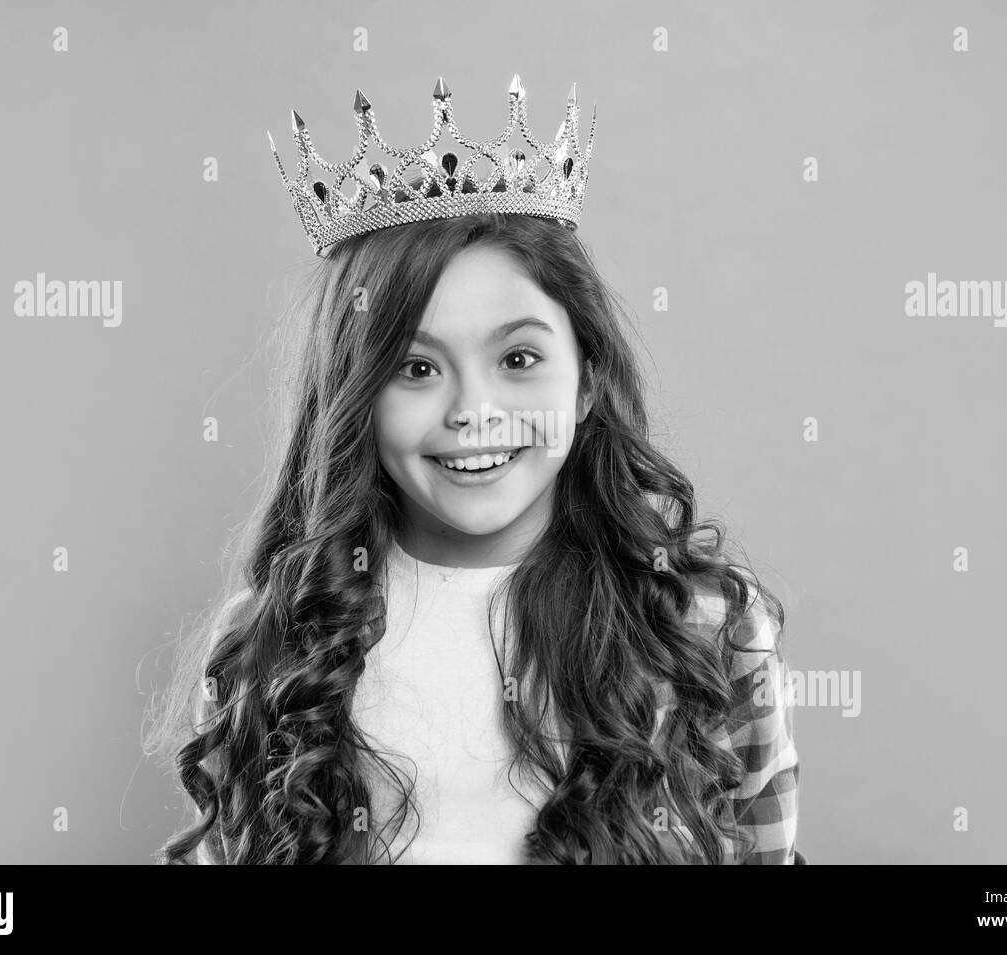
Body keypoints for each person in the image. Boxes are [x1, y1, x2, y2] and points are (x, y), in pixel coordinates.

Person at [145, 75, 801, 864]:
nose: (475, 412)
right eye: (416, 370)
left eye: (519, 357)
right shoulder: (276, 643)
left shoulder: (704, 626)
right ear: (357, 400)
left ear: (588, 377)